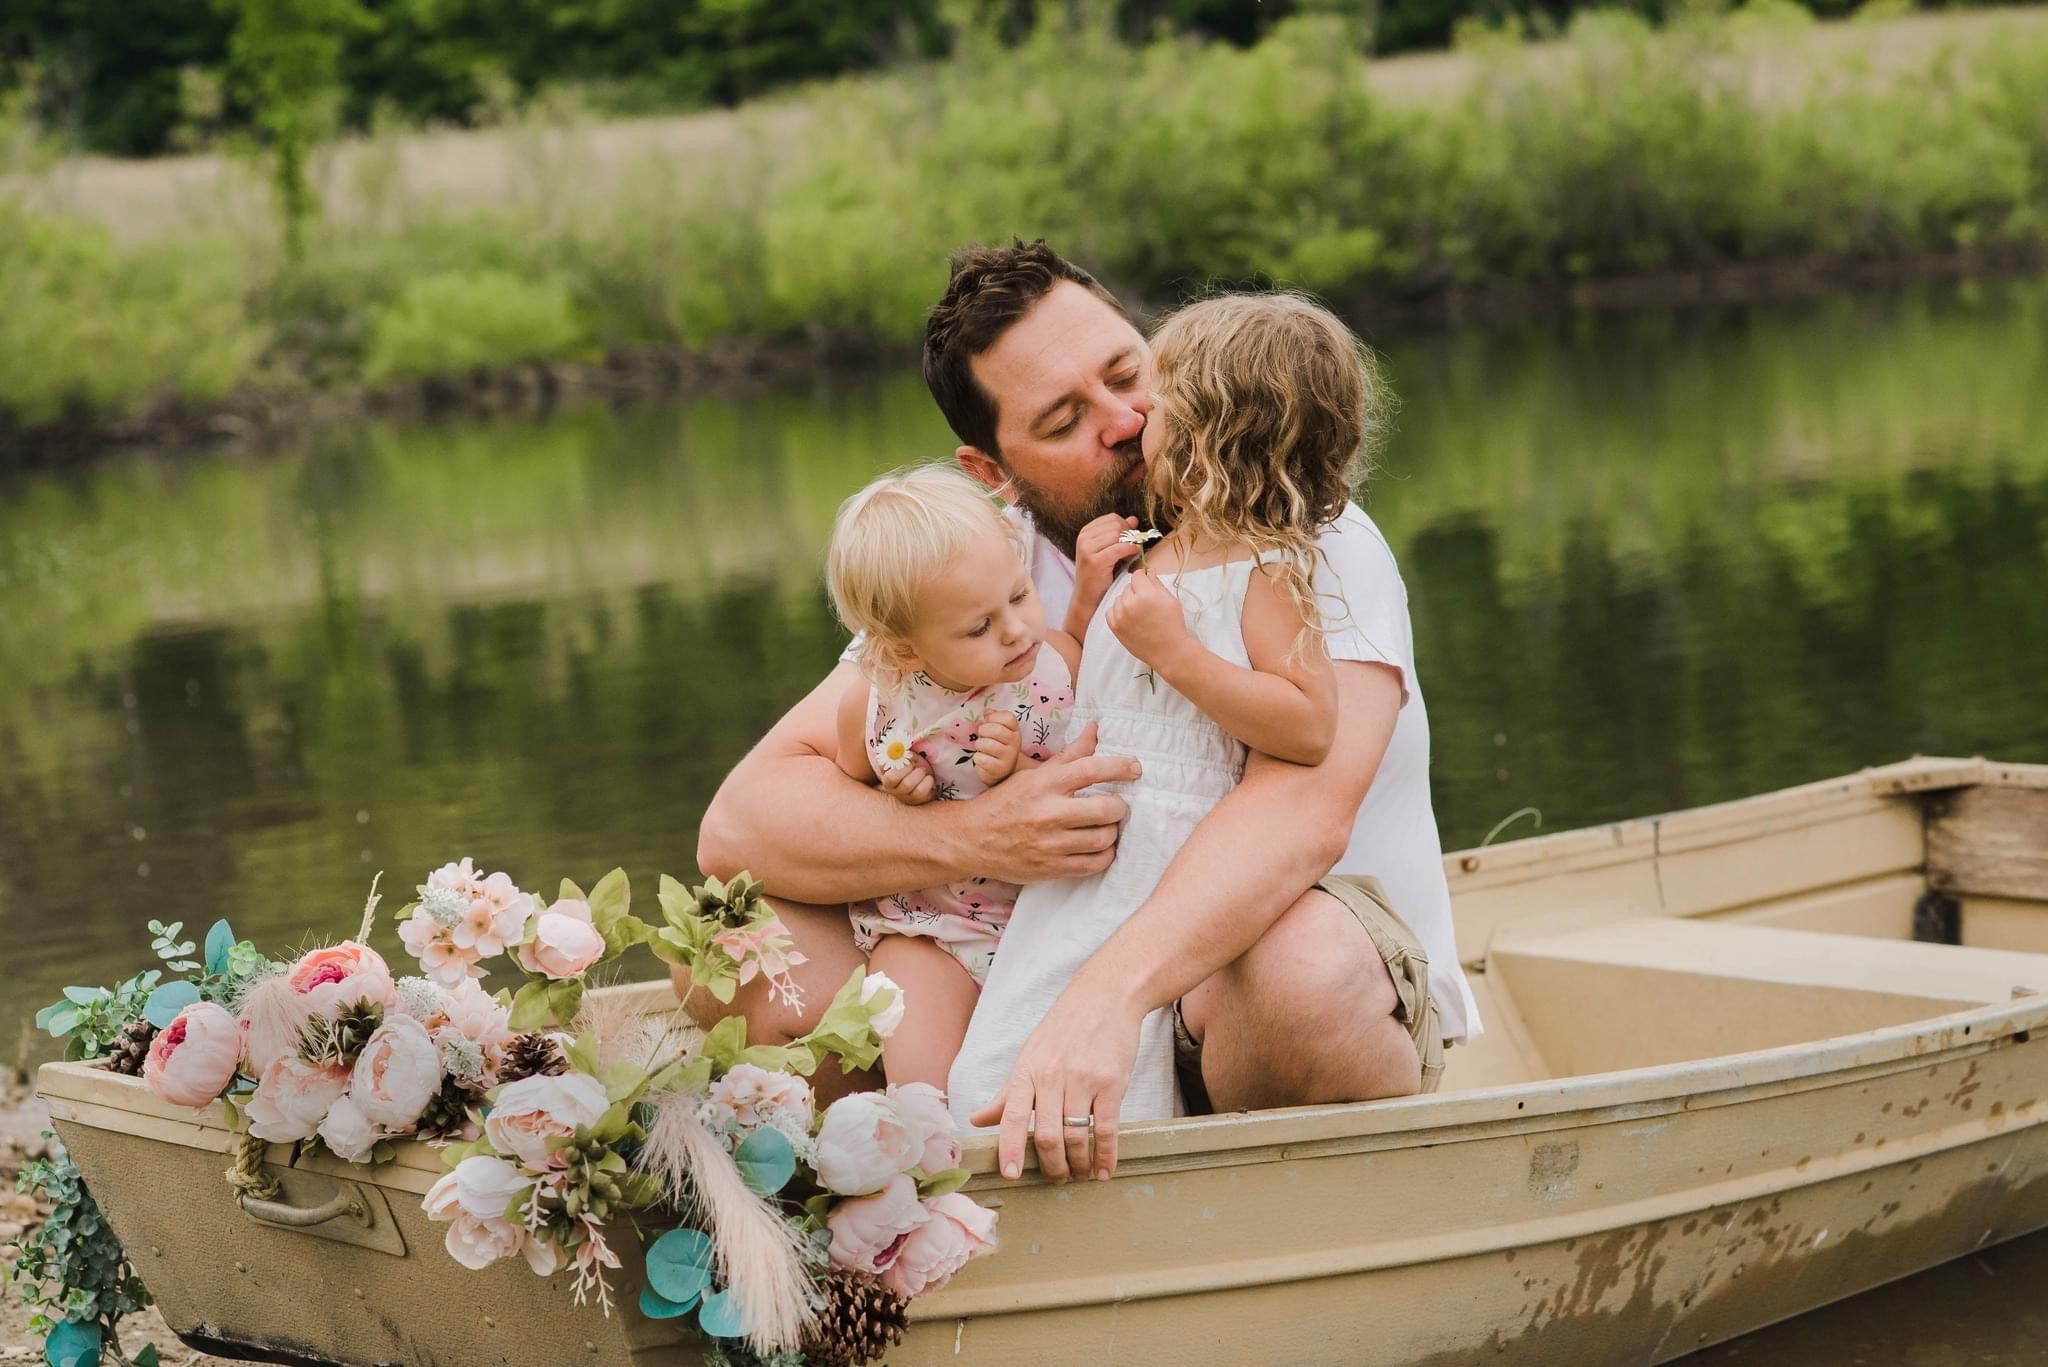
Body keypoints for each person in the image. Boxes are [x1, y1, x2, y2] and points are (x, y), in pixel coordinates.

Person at [684, 239, 1478, 1184]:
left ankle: (1238, 1209)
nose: (1127, 421)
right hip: (1052, 952)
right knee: (736, 946)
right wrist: (977, 834)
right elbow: (741, 824)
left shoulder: (1302, 526)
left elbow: (1303, 810)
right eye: (1064, 419)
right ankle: (935, 1191)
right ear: (992, 473)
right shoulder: (981, 571)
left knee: (1300, 973)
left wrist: (1107, 998)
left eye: (1128, 375)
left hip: (1258, 994)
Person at [946, 292, 1361, 1128]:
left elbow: (1310, 726)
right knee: (992, 1058)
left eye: (1153, 396)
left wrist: (1182, 655)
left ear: (1210, 432)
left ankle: (1127, 1177)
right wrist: (1084, 610)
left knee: (1123, 1081)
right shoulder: (1153, 552)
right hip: (1095, 849)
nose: (1136, 419)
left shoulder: (1266, 567)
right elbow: (1102, 693)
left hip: (1171, 841)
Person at [823, 464, 1079, 1089]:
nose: (1016, 630)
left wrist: (1019, 769)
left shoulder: (1054, 671)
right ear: (906, 648)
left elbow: (1088, 788)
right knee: (919, 1057)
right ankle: (930, 1139)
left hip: (1045, 915)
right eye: (978, 628)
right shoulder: (877, 704)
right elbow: (852, 779)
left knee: (1043, 1064)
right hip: (930, 926)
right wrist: (896, 788)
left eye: (1019, 595)